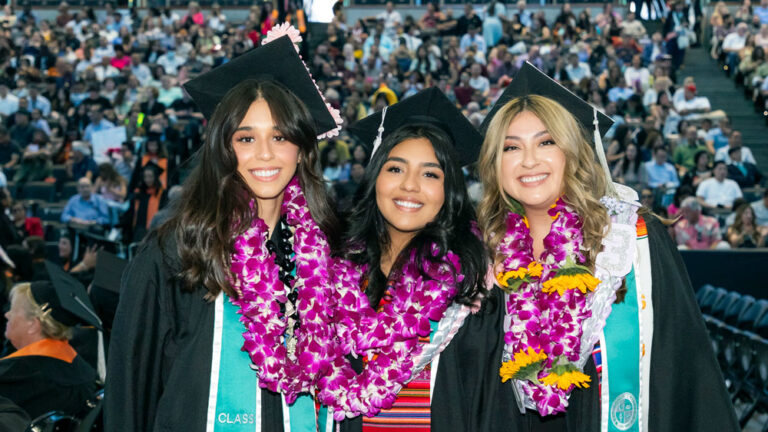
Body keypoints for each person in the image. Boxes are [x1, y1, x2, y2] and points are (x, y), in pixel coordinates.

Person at [441, 62, 738, 431]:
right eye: (511, 147)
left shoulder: (631, 242)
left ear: (573, 151)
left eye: (546, 142)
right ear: (494, 164)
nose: (529, 160)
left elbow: (683, 363)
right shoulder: (478, 254)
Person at [105, 31, 344, 431]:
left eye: (280, 137)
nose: (265, 154)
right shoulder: (178, 252)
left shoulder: (326, 256)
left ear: (302, 149)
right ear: (223, 147)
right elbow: (132, 389)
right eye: (246, 138)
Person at [320, 88, 487, 429]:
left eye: (430, 174)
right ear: (375, 176)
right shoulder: (334, 271)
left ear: (449, 189)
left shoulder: (473, 282)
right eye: (395, 169)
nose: (410, 186)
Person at [0, 271, 98, 419]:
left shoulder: (14, 375)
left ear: (33, 324)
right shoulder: (82, 368)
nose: (6, 314)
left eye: (13, 309)